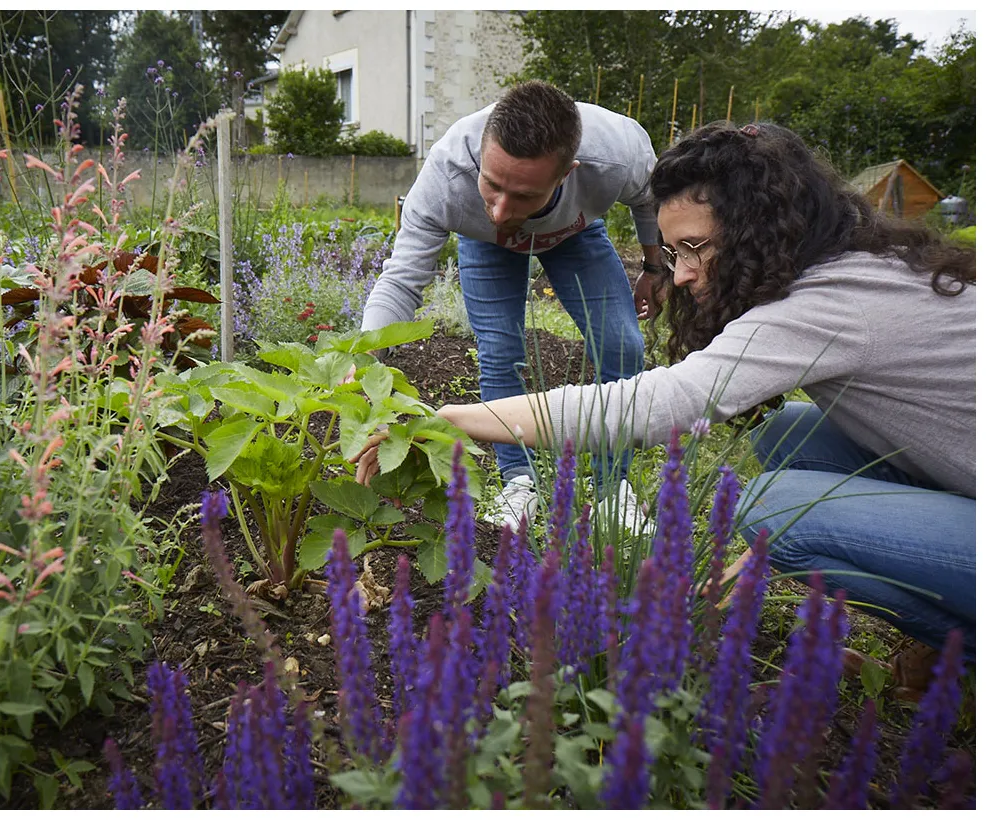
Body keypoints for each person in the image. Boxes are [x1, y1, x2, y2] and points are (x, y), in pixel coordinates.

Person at [355, 121, 975, 685]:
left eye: (695, 247)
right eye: (673, 252)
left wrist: (455, 418)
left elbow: (662, 404)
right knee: (780, 434)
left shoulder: (831, 303)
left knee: (768, 508)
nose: (679, 273)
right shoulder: (849, 264)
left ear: (758, 226)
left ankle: (957, 646)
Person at [361, 80, 664, 532]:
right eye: (492, 183)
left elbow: (651, 199)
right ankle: (518, 480)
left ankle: (611, 488)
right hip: (486, 245)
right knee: (501, 349)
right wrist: (363, 360)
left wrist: (657, 267)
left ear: (567, 173)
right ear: (481, 155)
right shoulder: (446, 174)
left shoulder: (617, 153)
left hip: (574, 236)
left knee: (622, 345)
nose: (501, 209)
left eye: (523, 194)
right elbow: (401, 279)